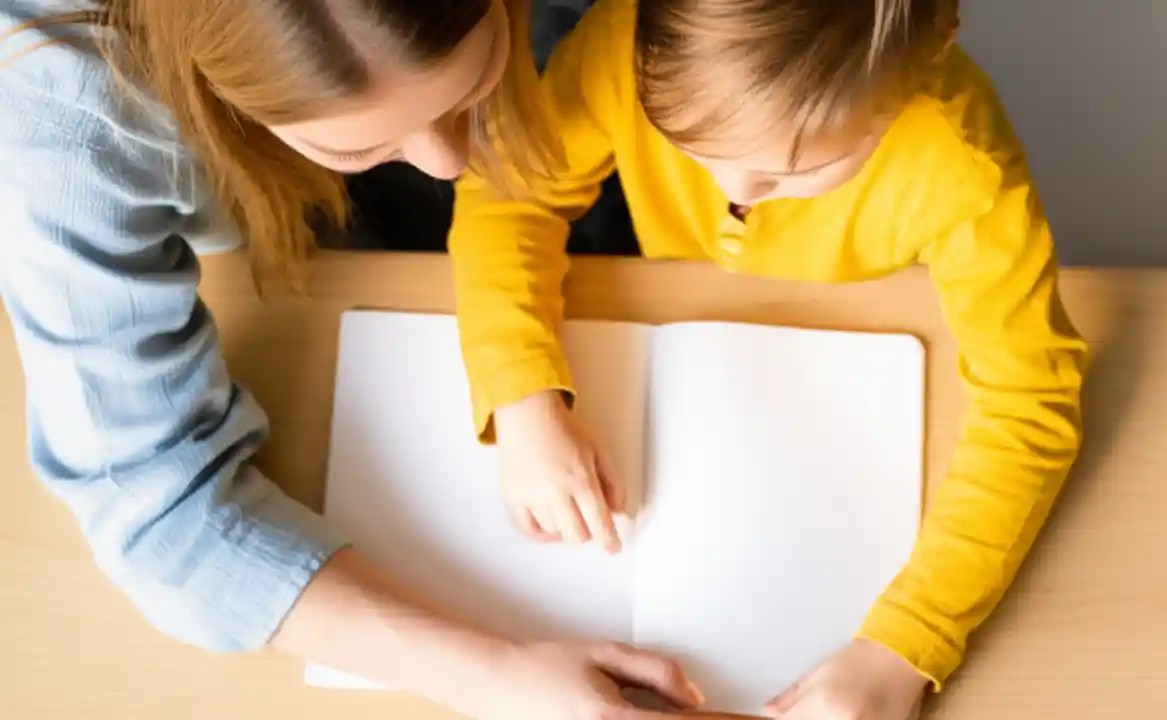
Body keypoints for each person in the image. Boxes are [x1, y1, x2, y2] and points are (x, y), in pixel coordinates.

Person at [0, 1, 703, 716]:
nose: (451, 164)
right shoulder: (63, 113)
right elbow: (160, 515)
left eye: (475, 68)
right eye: (357, 147)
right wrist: (492, 675)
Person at [448, 0, 1088, 717]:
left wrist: (907, 645)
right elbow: (509, 194)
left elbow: (1029, 400)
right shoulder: (621, 42)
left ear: (904, 83)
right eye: (691, 145)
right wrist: (523, 398)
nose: (734, 191)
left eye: (794, 168)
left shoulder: (960, 167)